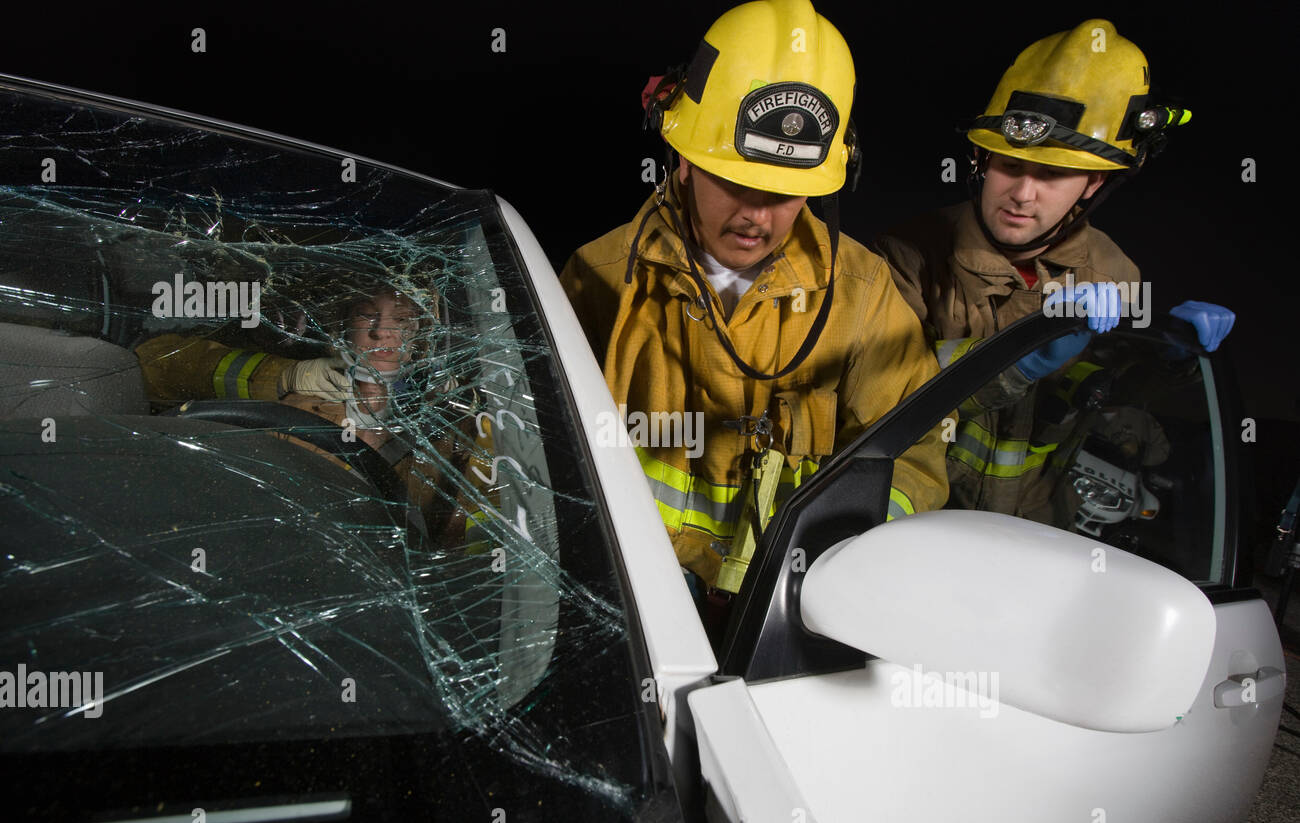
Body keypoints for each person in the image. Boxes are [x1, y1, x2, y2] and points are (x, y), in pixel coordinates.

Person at [559, 0, 947, 612]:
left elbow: (912, 460)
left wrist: (833, 569)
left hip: (787, 618)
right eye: (736, 183)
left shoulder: (863, 293)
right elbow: (544, 455)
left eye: (787, 193)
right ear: (683, 159)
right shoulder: (602, 280)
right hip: (636, 612)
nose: (757, 217)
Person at [873, 19, 1235, 523]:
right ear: (980, 157)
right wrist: (1018, 359)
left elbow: (1104, 403)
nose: (1023, 194)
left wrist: (1165, 357)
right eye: (1010, 165)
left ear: (1093, 183)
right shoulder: (906, 258)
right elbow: (889, 405)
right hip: (929, 521)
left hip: (1039, 528)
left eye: (1053, 174)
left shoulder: (1112, 271)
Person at [135, 287, 490, 543]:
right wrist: (283, 376)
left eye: (401, 321)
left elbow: (478, 534)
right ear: (342, 329)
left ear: (423, 340)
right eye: (367, 315)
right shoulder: (294, 407)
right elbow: (150, 365)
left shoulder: (451, 431)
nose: (381, 332)